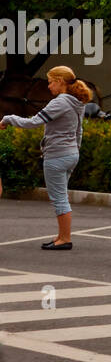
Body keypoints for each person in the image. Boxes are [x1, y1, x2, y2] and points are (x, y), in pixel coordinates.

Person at [0, 65, 93, 249]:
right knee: (62, 196)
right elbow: (78, 131)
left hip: (57, 155)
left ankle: (65, 239)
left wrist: (8, 118)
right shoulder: (77, 102)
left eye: (51, 82)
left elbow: (33, 122)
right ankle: (62, 236)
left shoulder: (60, 102)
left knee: (59, 198)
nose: (49, 86)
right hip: (71, 154)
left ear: (59, 82)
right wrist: (75, 150)